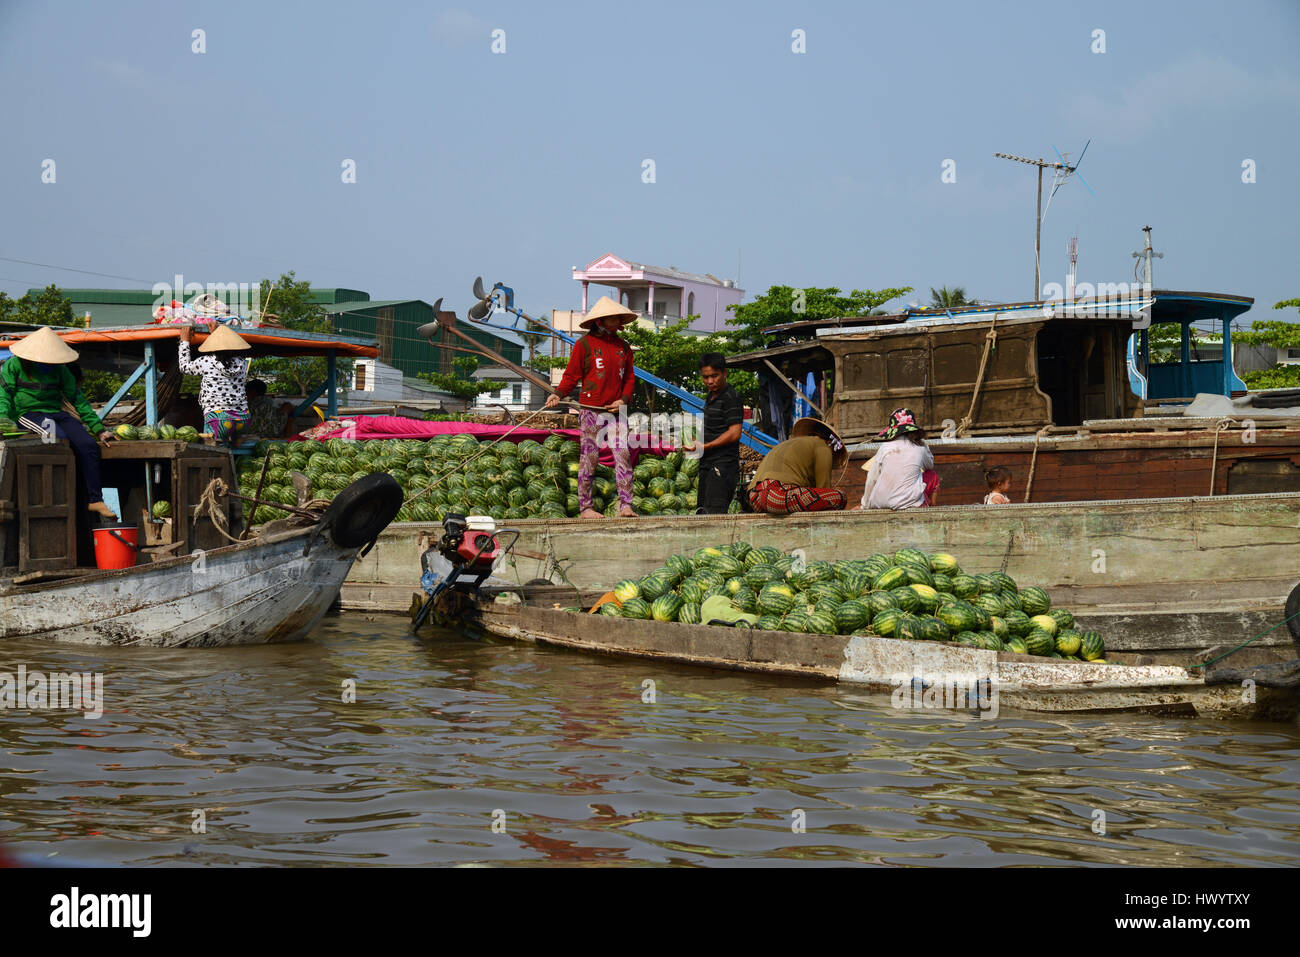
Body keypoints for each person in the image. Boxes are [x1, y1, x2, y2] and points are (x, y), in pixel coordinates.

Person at [0, 326, 117, 517]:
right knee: (58, 440)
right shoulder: (15, 366)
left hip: (57, 413)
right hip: (28, 414)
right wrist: (3, 418)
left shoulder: (61, 370)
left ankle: (95, 500)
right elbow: (4, 395)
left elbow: (78, 400)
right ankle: (61, 498)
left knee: (88, 446)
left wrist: (99, 429)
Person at [544, 296, 637, 518]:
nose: (617, 321)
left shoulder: (624, 347)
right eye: (613, 318)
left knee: (623, 455)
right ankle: (586, 508)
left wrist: (623, 400)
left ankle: (626, 505)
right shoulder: (583, 345)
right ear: (601, 321)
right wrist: (558, 394)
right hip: (590, 411)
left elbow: (630, 380)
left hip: (616, 411)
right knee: (589, 458)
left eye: (618, 318)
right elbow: (571, 376)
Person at [747, 417, 848, 514]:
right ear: (831, 442)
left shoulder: (790, 443)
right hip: (775, 496)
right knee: (838, 497)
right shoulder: (823, 446)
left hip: (754, 498)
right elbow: (824, 489)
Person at [177, 323, 251, 446]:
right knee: (230, 449)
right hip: (243, 419)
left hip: (219, 417)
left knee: (214, 453)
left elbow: (184, 367)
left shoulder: (206, 361)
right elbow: (224, 358)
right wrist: (216, 335)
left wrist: (184, 342)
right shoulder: (242, 363)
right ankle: (236, 439)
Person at [687, 352, 743, 514]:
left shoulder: (730, 397)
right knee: (703, 513)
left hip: (722, 467)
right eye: (706, 377)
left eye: (714, 376)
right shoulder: (711, 397)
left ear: (724, 373)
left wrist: (706, 445)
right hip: (707, 465)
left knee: (714, 517)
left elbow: (735, 433)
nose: (710, 381)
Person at [859, 408, 939, 510]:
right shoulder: (920, 449)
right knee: (931, 475)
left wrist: (865, 505)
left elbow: (871, 479)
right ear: (913, 431)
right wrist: (921, 442)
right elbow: (930, 465)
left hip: (879, 503)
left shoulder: (884, 448)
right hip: (909, 504)